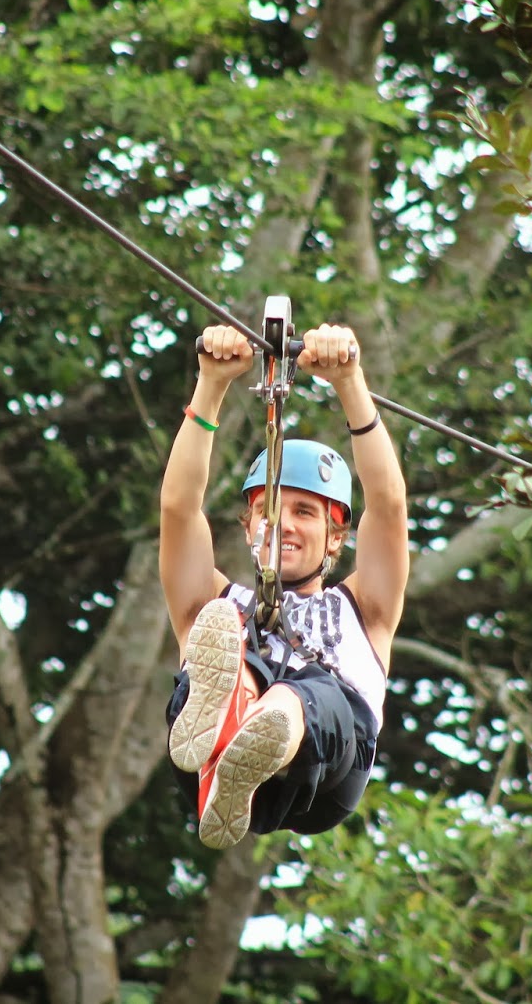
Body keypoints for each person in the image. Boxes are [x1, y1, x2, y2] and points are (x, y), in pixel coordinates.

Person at [159, 322, 408, 849]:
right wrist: (211, 383)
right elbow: (179, 509)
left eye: (305, 512)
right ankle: (229, 719)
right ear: (249, 526)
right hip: (204, 774)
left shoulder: (364, 609)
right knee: (223, 634)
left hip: (324, 776)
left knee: (310, 689)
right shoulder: (217, 603)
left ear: (336, 538)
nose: (285, 523)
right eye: (269, 510)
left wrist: (350, 382)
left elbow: (387, 507)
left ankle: (267, 722)